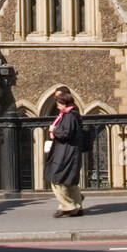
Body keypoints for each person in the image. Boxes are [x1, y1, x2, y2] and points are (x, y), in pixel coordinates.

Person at [45, 89, 85, 217]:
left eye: (58, 103)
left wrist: (54, 129)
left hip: (66, 152)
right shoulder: (72, 114)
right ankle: (77, 207)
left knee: (57, 179)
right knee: (70, 181)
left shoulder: (69, 116)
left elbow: (66, 133)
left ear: (64, 104)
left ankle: (67, 205)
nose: (57, 106)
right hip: (69, 151)